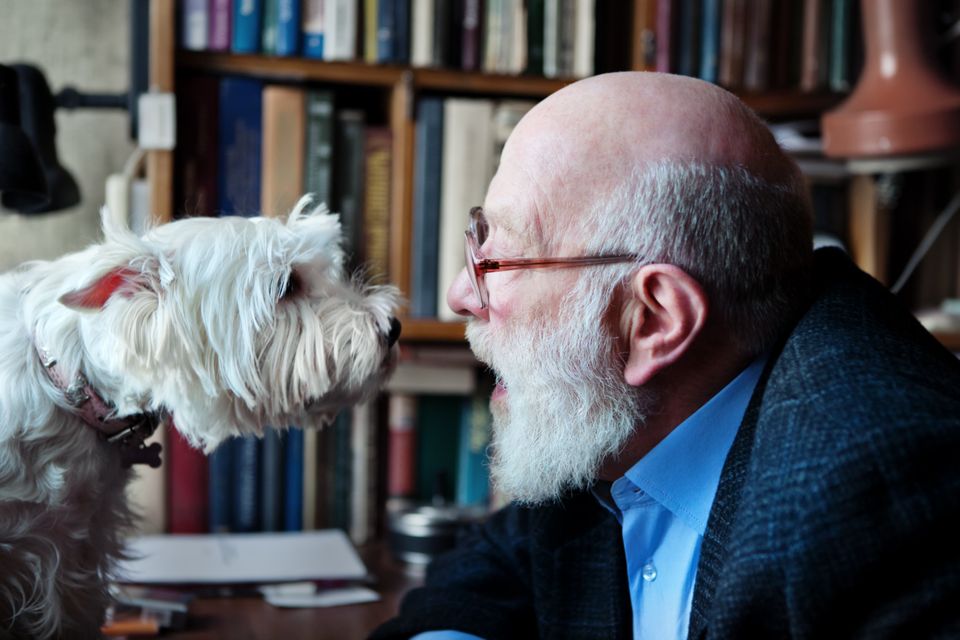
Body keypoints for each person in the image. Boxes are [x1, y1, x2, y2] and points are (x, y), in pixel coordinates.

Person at [371, 72, 960, 639]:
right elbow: (497, 562)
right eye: (479, 237)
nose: (459, 296)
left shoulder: (886, 497)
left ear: (653, 321)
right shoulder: (605, 411)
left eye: (495, 261)